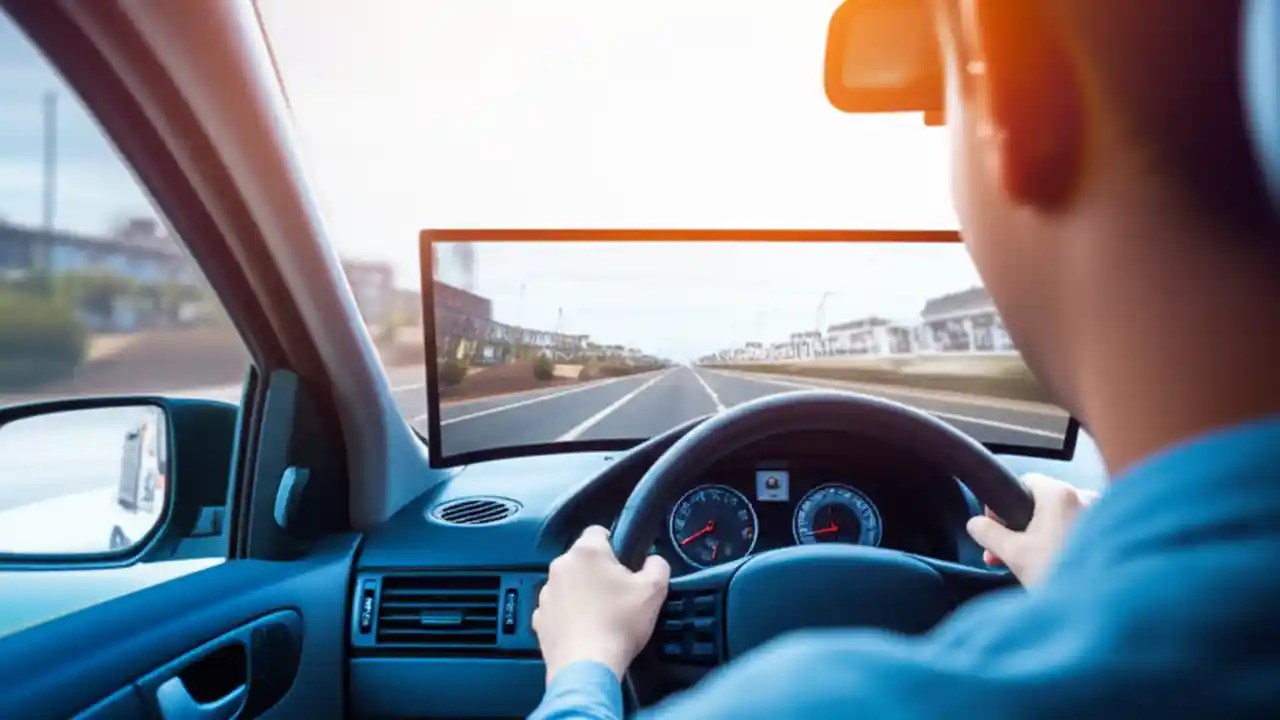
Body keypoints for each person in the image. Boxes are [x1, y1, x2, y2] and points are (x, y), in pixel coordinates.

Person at [530, 0, 1280, 717]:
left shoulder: (813, 702)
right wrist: (1085, 587)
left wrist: (584, 659)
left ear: (1020, 95)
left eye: (948, 100)